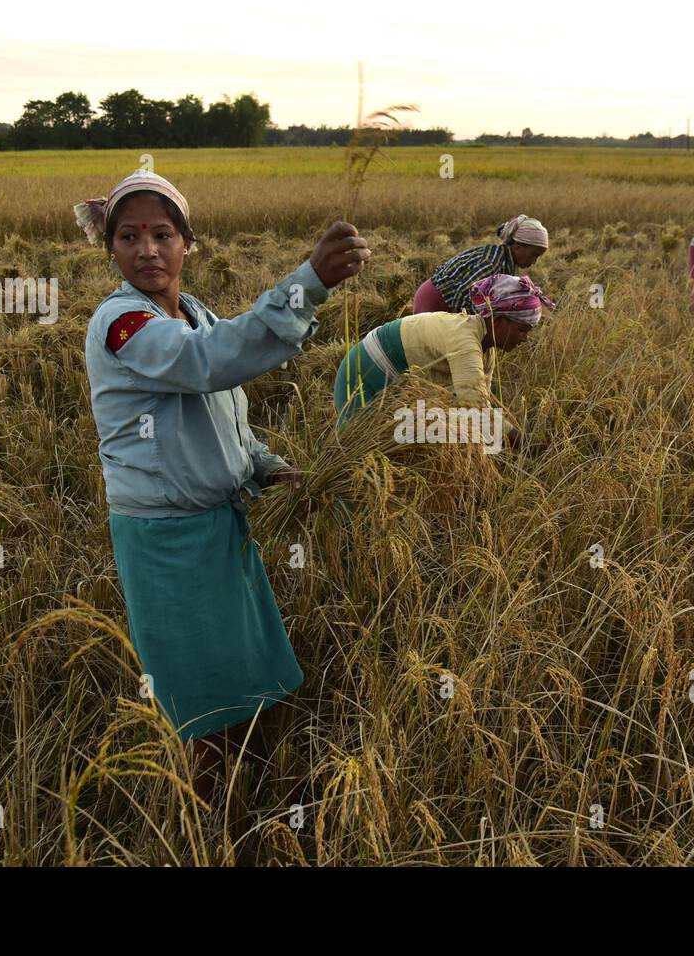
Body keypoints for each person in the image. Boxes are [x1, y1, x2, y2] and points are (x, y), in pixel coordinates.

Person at [76, 169, 369, 803]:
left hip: (218, 523)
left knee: (240, 674)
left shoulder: (193, 313)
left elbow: (224, 408)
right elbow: (208, 364)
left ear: (188, 243)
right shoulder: (121, 323)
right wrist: (309, 284)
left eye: (161, 234)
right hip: (167, 536)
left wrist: (260, 465)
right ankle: (202, 818)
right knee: (199, 696)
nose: (146, 250)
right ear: (111, 249)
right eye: (128, 236)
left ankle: (242, 792)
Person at [334, 273, 553, 451]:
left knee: (403, 449)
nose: (525, 339)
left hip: (395, 379)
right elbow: (475, 411)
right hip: (364, 372)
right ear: (497, 322)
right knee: (358, 457)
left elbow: (478, 401)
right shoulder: (465, 341)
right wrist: (523, 442)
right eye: (522, 330)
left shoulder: (485, 348)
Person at [413, 215, 550, 314]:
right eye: (534, 255)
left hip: (447, 304)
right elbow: (463, 297)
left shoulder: (508, 264)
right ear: (518, 246)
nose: (534, 261)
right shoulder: (491, 264)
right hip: (436, 302)